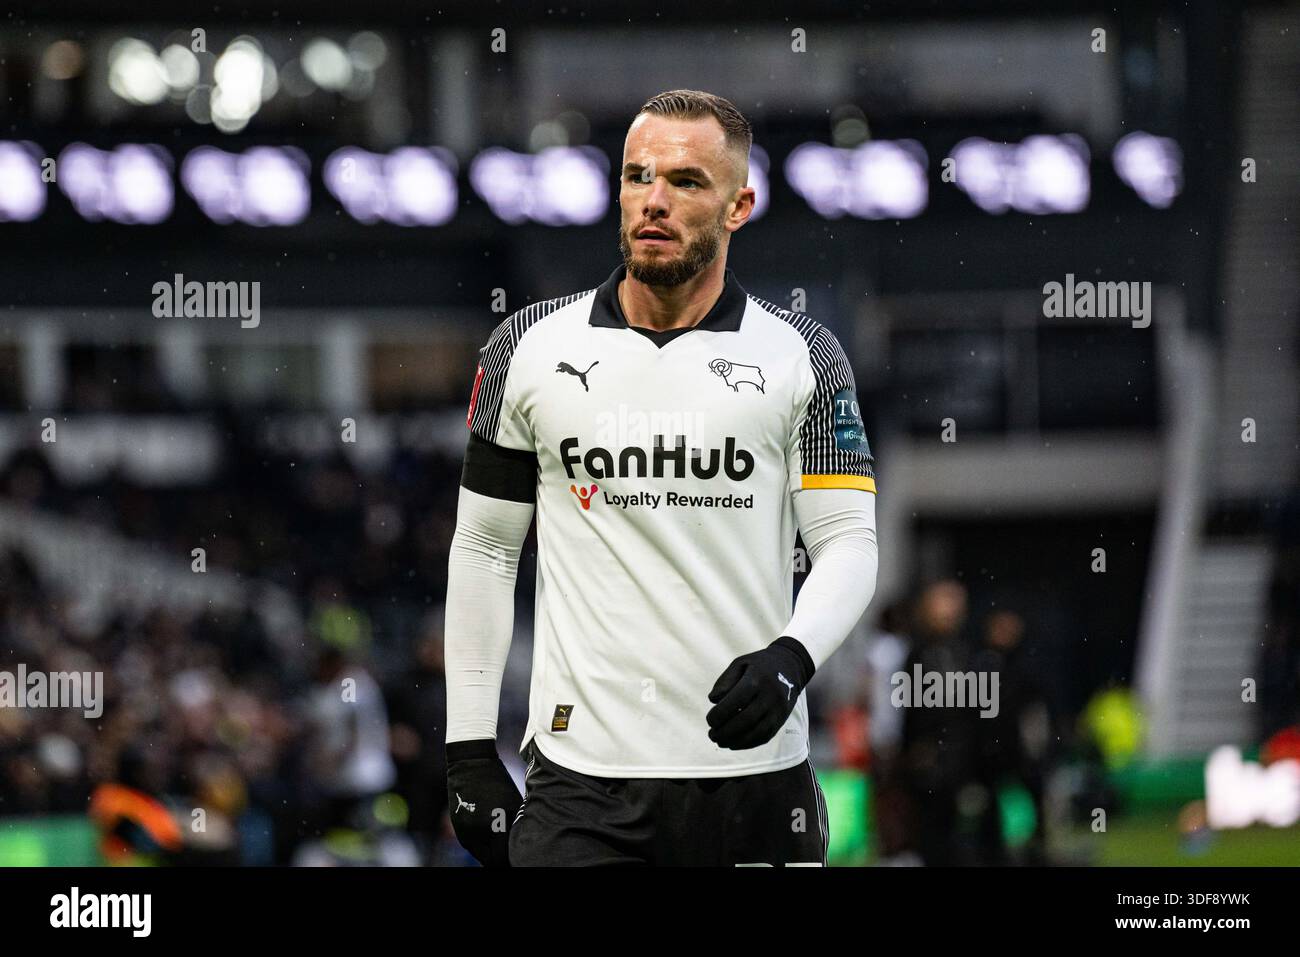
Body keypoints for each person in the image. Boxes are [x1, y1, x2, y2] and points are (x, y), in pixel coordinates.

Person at [443, 89, 879, 866]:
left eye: (685, 182)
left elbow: (848, 543)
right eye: (637, 176)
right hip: (581, 789)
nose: (653, 200)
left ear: (738, 205)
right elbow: (483, 548)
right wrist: (469, 749)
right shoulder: (526, 348)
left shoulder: (805, 355)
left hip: (756, 782)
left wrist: (793, 657)